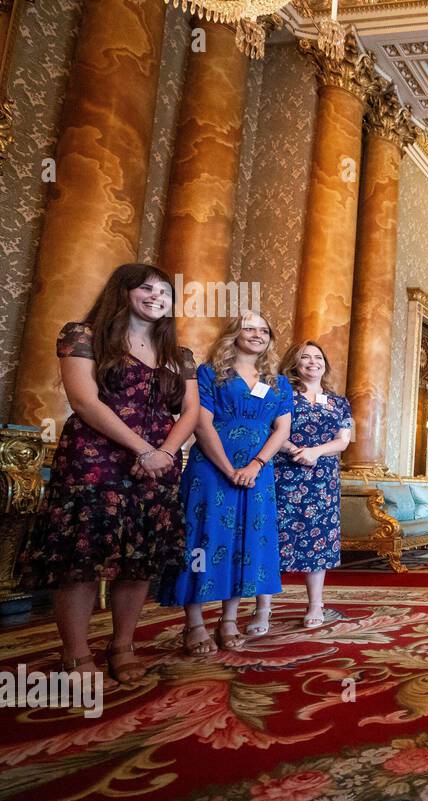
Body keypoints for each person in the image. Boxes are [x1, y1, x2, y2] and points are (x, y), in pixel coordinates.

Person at [21, 264, 199, 682]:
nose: (157, 297)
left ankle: (122, 644)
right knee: (80, 556)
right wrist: (143, 449)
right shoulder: (83, 335)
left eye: (165, 292)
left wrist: (166, 453)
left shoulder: (180, 354)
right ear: (122, 292)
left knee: (140, 558)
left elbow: (190, 411)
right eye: (146, 288)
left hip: (158, 464)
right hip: (94, 455)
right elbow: (84, 401)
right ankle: (76, 653)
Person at [158, 311, 293, 650]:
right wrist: (228, 468)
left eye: (264, 330)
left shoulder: (278, 380)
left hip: (258, 473)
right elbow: (201, 423)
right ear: (233, 333)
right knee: (202, 540)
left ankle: (229, 620)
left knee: (244, 543)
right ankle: (194, 624)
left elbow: (283, 429)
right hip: (211, 469)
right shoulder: (210, 373)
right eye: (249, 327)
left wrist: (256, 464)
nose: (257, 334)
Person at [269, 341, 353, 629]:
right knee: (275, 538)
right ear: (295, 362)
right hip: (285, 473)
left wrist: (315, 452)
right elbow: (272, 430)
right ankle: (262, 608)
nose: (312, 362)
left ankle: (316, 605)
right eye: (305, 357)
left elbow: (343, 440)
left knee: (317, 543)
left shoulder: (339, 401)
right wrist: (295, 451)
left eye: (318, 357)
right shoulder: (282, 394)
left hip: (323, 479)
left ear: (325, 364)